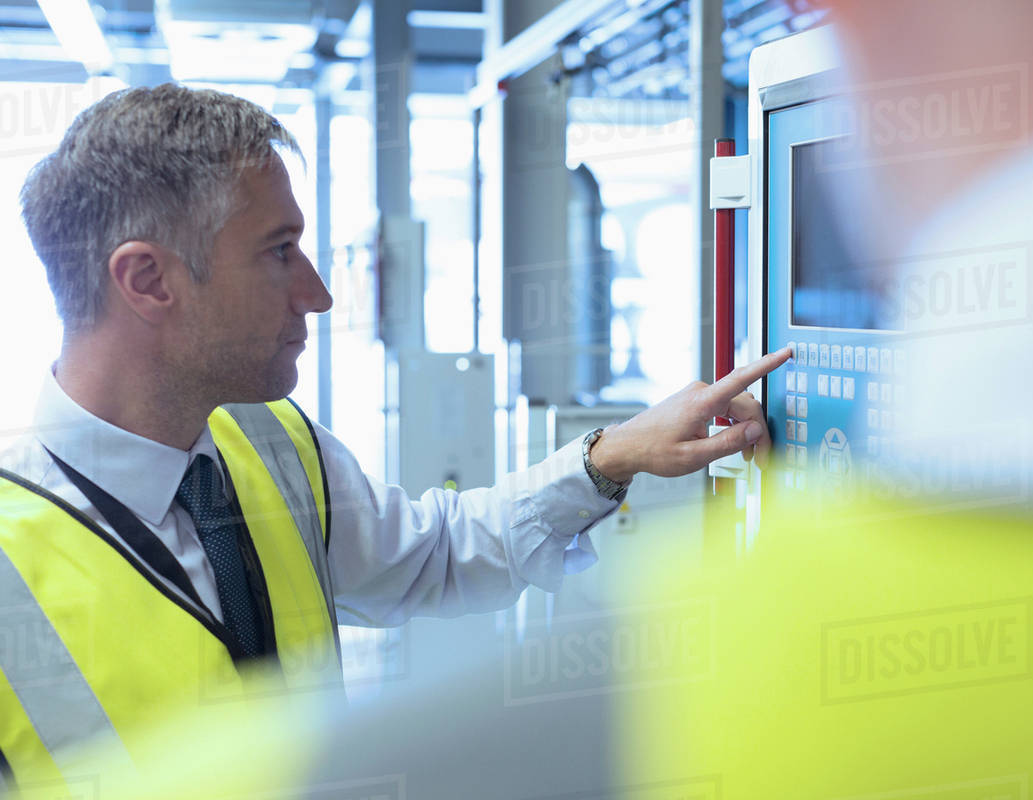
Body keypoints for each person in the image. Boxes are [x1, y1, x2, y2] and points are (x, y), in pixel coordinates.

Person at [0, 83, 789, 791]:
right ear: (148, 281)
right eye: (279, 252)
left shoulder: (271, 442)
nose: (318, 292)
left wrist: (612, 456)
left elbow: (434, 558)